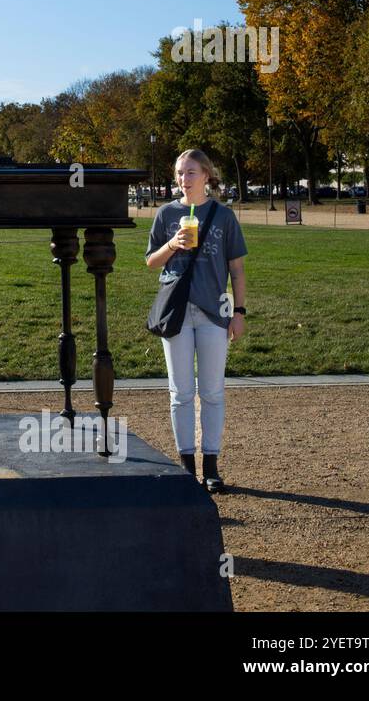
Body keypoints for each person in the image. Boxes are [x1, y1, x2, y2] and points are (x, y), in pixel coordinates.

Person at [145, 149, 248, 493]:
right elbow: (151, 262)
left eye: (190, 173)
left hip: (213, 312)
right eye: (179, 173)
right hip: (176, 310)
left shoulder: (223, 216)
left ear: (207, 175)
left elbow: (236, 268)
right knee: (181, 392)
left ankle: (212, 466)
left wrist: (239, 312)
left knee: (213, 391)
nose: (183, 179)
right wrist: (173, 243)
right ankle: (186, 467)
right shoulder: (167, 214)